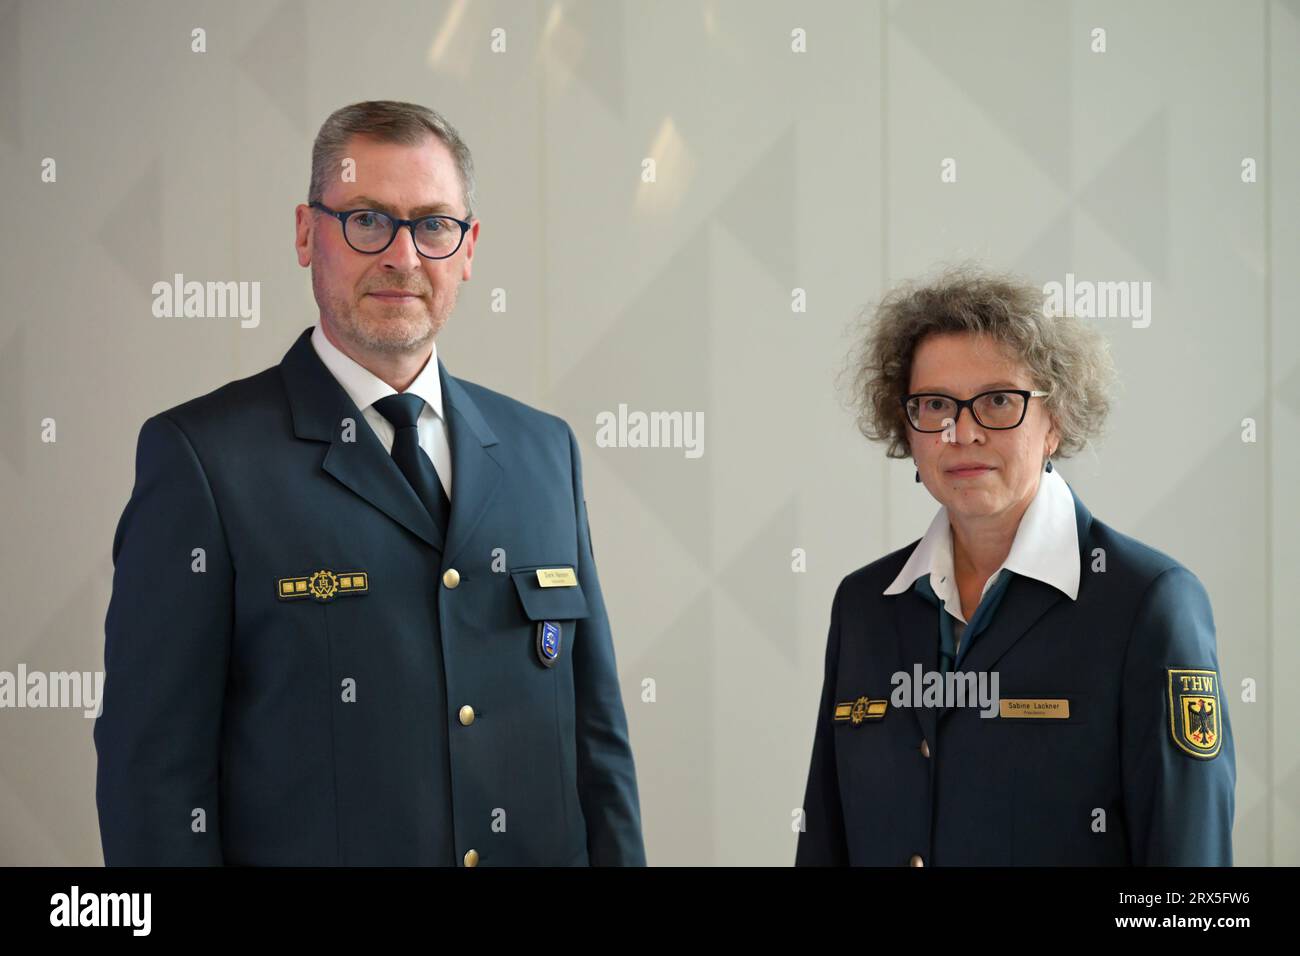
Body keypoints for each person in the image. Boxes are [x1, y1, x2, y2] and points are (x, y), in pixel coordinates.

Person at [94, 100, 645, 867]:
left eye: (432, 225)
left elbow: (598, 746)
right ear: (304, 232)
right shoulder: (203, 462)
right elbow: (152, 777)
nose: (403, 256)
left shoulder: (543, 451)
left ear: (468, 248)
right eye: (366, 220)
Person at [795, 266, 1234, 866]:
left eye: (999, 400)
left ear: (1056, 421)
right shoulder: (865, 604)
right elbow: (825, 843)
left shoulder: (1147, 603)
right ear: (908, 430)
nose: (964, 431)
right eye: (935, 405)